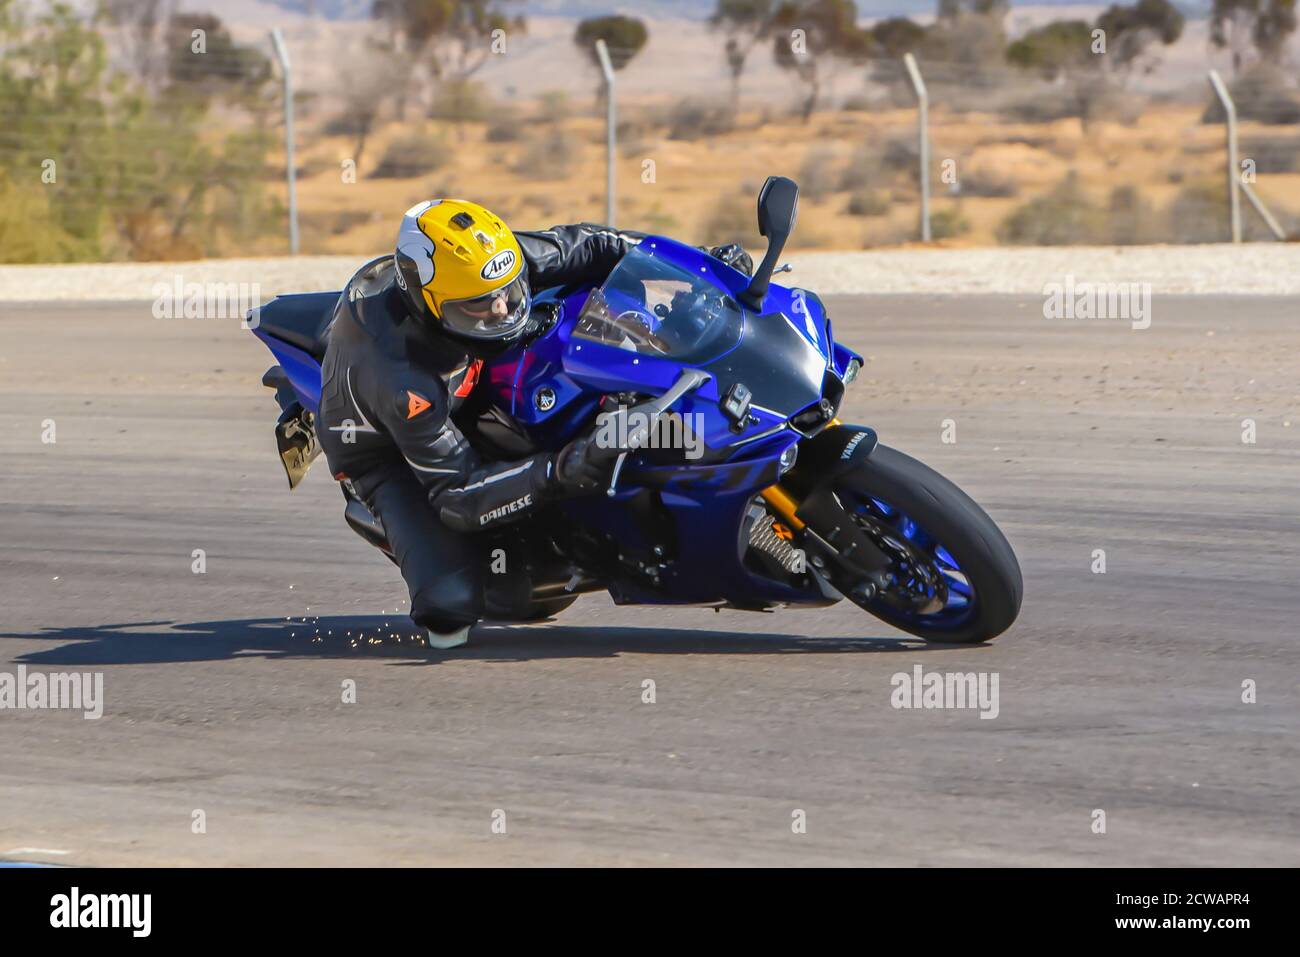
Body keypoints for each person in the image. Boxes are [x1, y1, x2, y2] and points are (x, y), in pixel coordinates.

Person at [317, 199, 750, 649]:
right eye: (479, 306)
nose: (504, 310)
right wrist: (562, 468)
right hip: (385, 451)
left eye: (509, 290)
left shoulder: (484, 266)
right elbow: (457, 496)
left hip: (470, 370)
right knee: (451, 610)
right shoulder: (403, 380)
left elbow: (593, 244)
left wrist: (698, 265)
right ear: (429, 305)